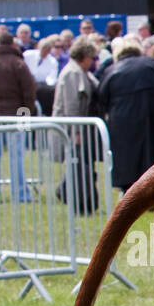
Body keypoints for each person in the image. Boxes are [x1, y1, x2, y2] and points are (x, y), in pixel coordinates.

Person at [98, 35, 154, 191]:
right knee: (153, 155)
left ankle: (130, 192)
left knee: (127, 160)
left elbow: (102, 97)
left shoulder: (112, 70)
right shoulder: (152, 65)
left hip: (122, 122)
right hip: (152, 119)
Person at [0, 29, 36, 201]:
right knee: (16, 156)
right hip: (18, 113)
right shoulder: (19, 63)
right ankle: (20, 194)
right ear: (12, 43)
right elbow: (29, 91)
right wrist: (27, 112)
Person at [52, 38, 101, 214]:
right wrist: (77, 131)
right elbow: (71, 105)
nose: (93, 61)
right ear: (84, 56)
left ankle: (66, 191)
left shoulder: (80, 71)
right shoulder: (73, 73)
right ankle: (78, 199)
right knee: (78, 163)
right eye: (91, 57)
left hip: (78, 129)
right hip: (74, 129)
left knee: (80, 163)